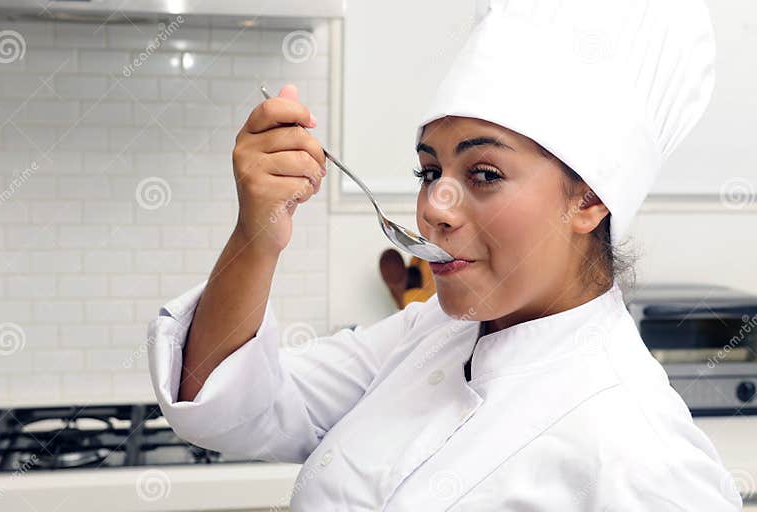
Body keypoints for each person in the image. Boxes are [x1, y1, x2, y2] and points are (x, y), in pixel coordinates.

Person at [147, 0, 743, 509]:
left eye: (483, 172)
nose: (434, 205)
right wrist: (257, 236)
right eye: (429, 170)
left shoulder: (645, 455)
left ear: (588, 199)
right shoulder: (428, 334)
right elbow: (225, 404)